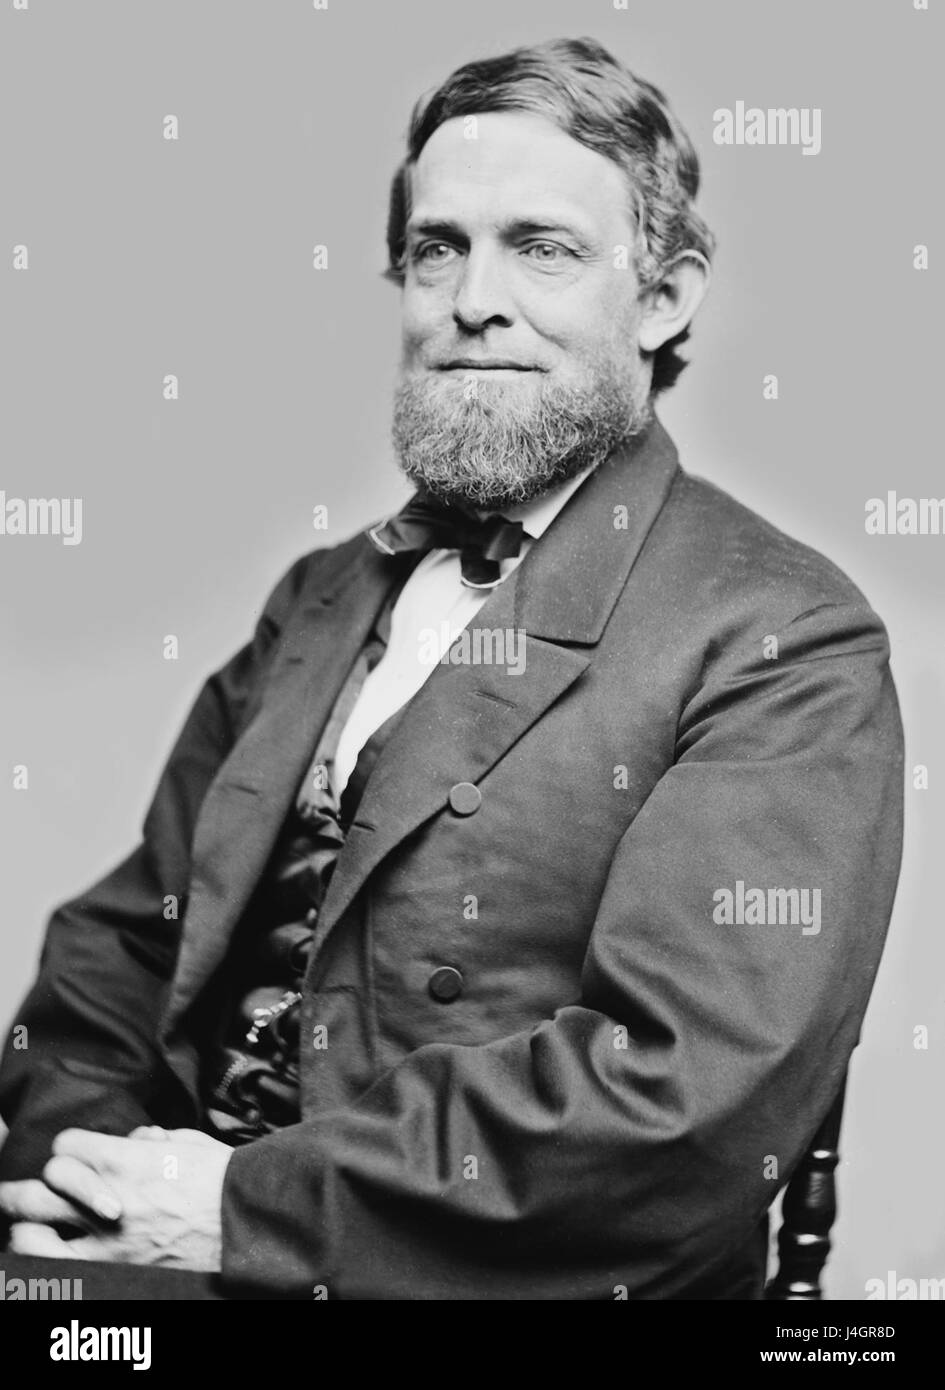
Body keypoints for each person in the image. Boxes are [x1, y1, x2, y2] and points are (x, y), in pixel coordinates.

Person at [0, 36, 903, 1299]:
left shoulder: (783, 636)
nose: (474, 298)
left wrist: (242, 1208)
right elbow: (123, 943)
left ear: (664, 298)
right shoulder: (323, 595)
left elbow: (680, 1100)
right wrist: (80, 1169)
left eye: (541, 248)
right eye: (438, 248)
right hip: (160, 1237)